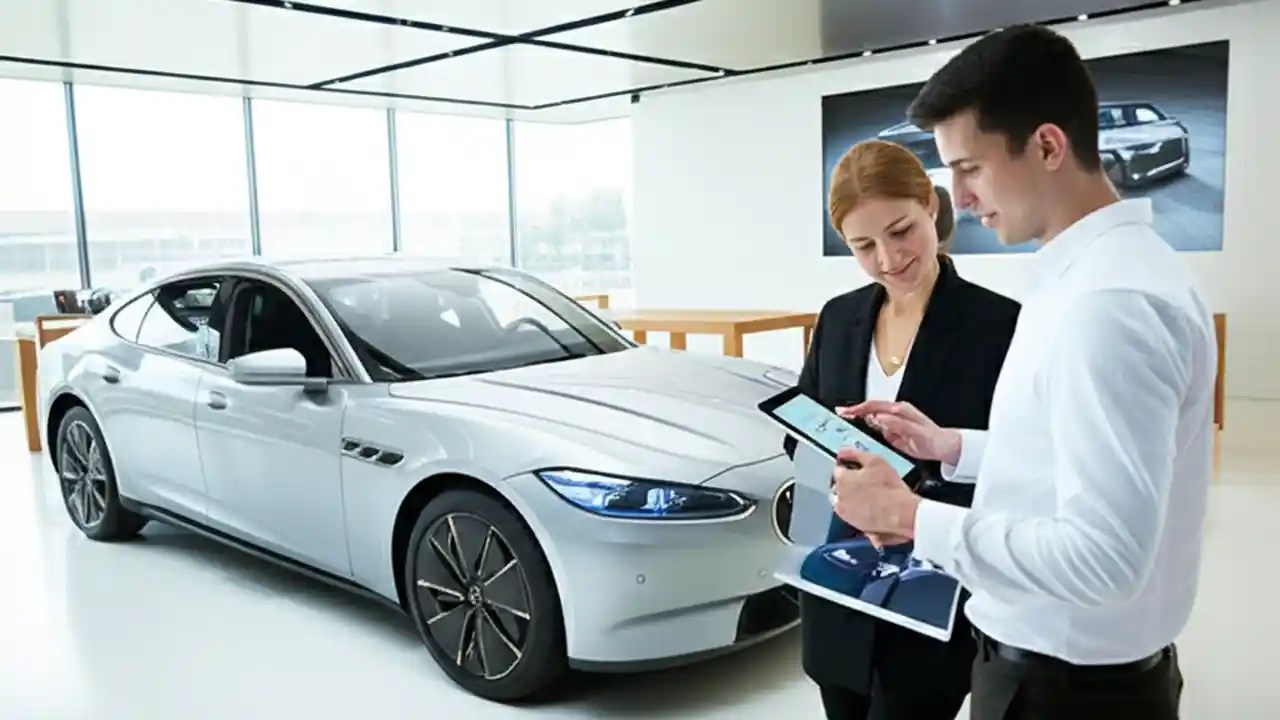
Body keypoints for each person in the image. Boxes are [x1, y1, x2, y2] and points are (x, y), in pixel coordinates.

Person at [830, 24, 1217, 720]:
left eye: (970, 168)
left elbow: (1104, 559)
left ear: (1046, 146)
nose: (961, 198)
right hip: (1060, 673)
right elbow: (1060, 462)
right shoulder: (1086, 278)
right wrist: (955, 447)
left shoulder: (1108, 306)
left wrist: (913, 517)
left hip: (1064, 690)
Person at [785, 138, 1020, 720]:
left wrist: (924, 472)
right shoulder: (839, 317)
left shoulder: (999, 325)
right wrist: (831, 456)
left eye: (900, 231)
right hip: (839, 583)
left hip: (934, 588)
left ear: (932, 209)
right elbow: (803, 435)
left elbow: (1021, 464)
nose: (888, 259)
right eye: (863, 245)